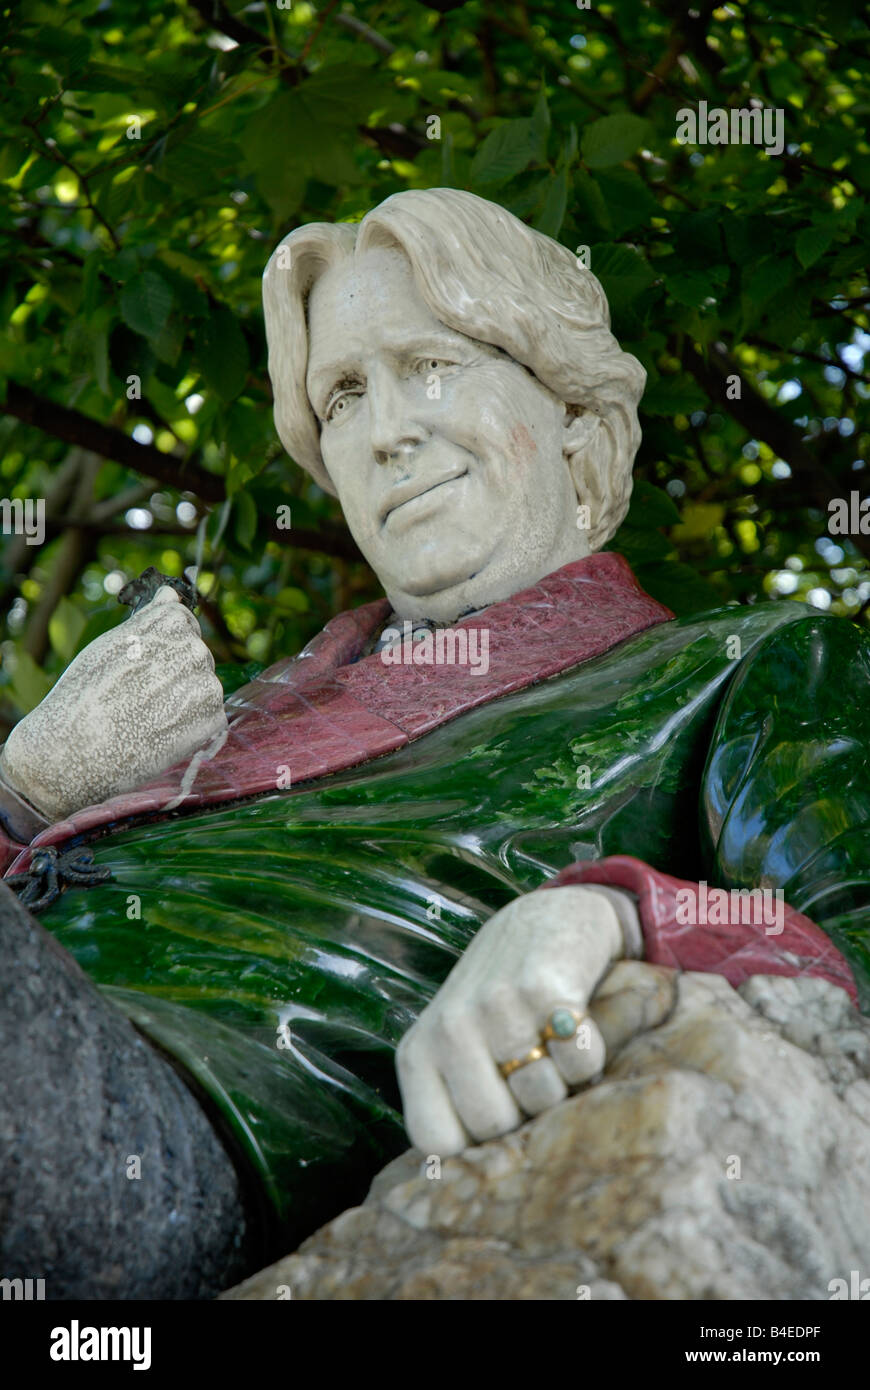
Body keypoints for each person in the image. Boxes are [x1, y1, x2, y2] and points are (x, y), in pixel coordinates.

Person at [0, 189, 867, 1299]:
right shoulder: (229, 711)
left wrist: (614, 913)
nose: (385, 429)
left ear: (578, 421)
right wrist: (24, 795)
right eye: (344, 394)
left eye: (435, 364)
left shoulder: (746, 664)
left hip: (176, 1141)